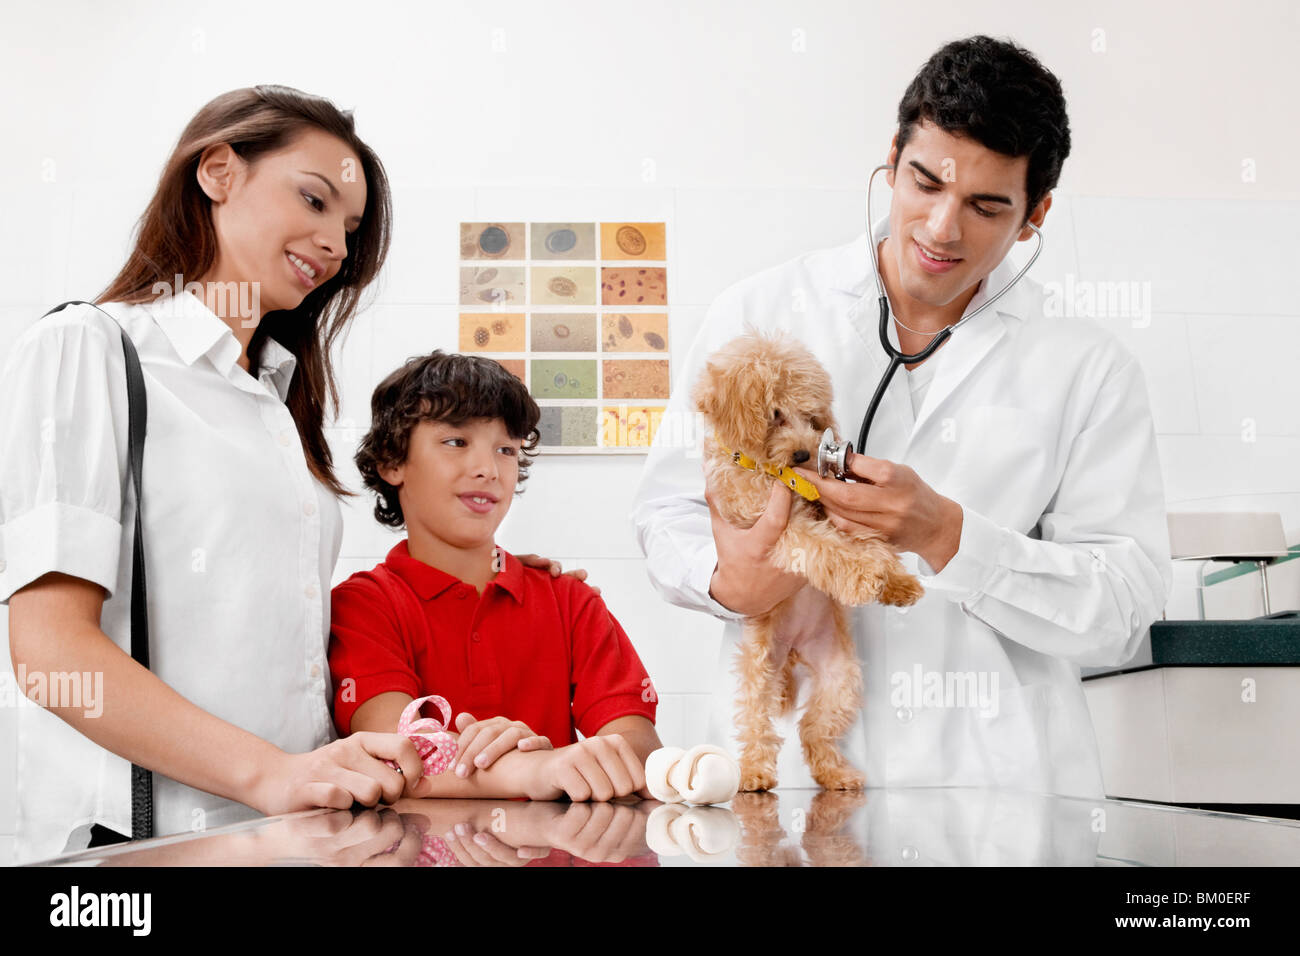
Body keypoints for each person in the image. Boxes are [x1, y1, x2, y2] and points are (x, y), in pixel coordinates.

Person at [0, 85, 585, 863]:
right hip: (139, 844)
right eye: (313, 200)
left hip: (287, 835)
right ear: (217, 171)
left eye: (348, 228)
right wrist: (270, 774)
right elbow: (50, 653)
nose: (336, 246)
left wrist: (490, 576)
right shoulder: (92, 348)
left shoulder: (276, 400)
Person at [631, 36, 1173, 799]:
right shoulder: (758, 310)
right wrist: (728, 579)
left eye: (987, 206)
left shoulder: (1088, 367)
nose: (942, 227)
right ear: (892, 157)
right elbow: (665, 513)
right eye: (924, 183)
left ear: (1034, 215)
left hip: (994, 794)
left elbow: (1123, 604)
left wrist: (952, 538)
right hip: (785, 775)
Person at [329, 351, 662, 801]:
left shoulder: (571, 600)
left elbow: (639, 752)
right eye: (456, 442)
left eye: (506, 449)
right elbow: (395, 755)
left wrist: (586, 760)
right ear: (392, 463)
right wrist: (534, 766)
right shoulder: (362, 605)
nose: (488, 469)